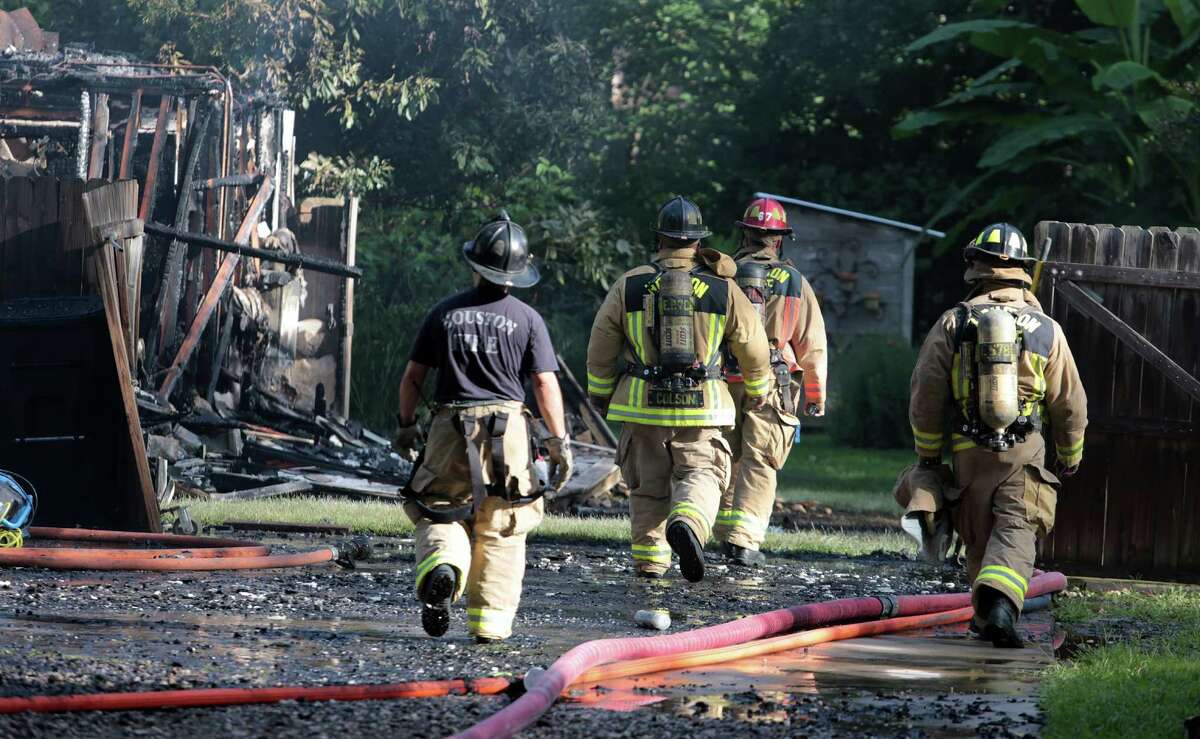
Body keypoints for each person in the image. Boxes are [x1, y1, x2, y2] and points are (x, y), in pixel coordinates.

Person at [393, 212, 574, 643]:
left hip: (450, 429)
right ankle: (489, 625)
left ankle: (443, 566)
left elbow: (413, 378)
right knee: (504, 524)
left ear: (475, 265)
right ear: (518, 274)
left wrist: (406, 426)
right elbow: (544, 384)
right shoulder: (528, 319)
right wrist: (558, 442)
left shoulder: (444, 313)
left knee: (439, 508)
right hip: (507, 434)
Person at [909, 223, 1087, 647]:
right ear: (1021, 270)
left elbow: (926, 393)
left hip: (969, 448)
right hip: (1025, 449)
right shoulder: (1046, 329)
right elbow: (1070, 403)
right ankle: (1001, 607)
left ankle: (985, 614)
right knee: (1017, 527)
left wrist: (928, 456)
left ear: (975, 267)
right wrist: (1070, 454)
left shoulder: (954, 321)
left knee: (978, 536)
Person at [586, 196, 772, 582]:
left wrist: (600, 393)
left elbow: (601, 346)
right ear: (698, 242)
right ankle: (687, 522)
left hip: (642, 405)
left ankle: (650, 564)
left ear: (659, 239)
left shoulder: (630, 284)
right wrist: (758, 389)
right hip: (703, 406)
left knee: (647, 489)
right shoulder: (722, 288)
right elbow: (753, 346)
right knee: (703, 473)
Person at [714, 197, 828, 566]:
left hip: (724, 380)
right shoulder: (795, 281)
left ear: (745, 234)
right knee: (761, 460)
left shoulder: (723, 277)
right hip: (774, 384)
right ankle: (744, 542)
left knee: (725, 456)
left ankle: (720, 532)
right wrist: (815, 395)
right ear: (779, 240)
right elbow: (812, 344)